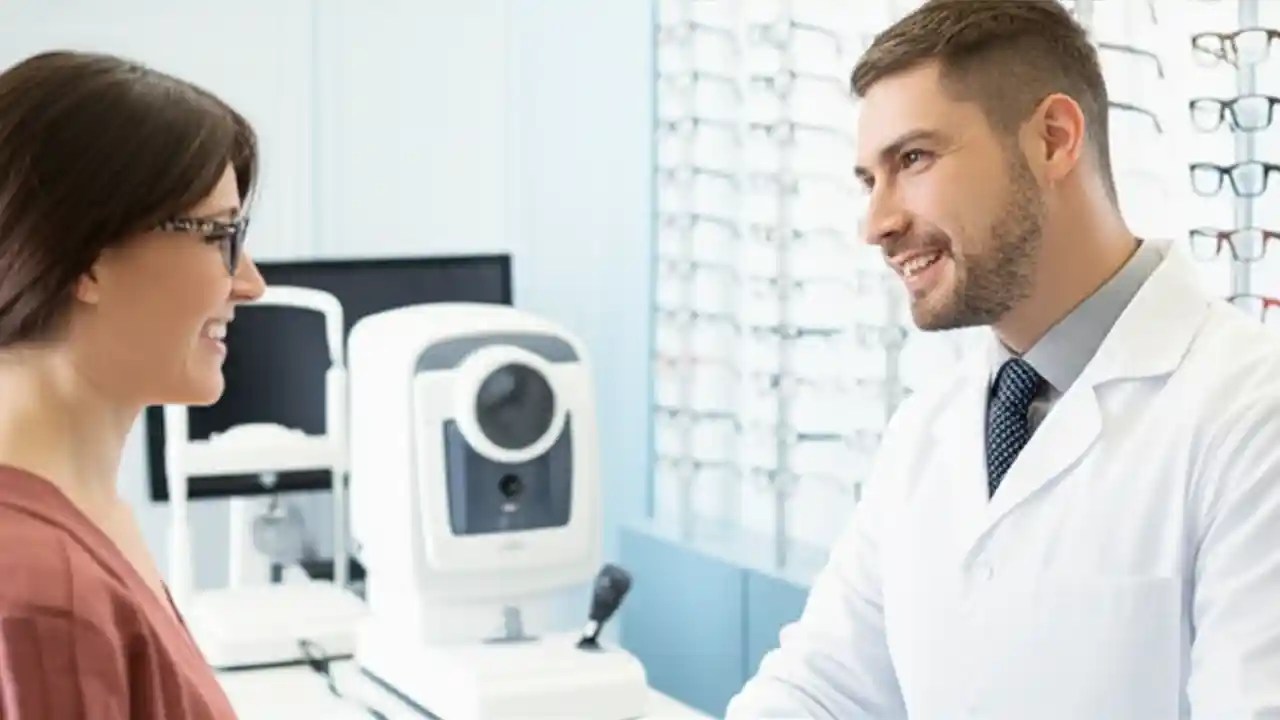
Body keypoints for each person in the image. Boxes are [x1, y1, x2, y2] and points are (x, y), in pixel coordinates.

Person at [726, 1, 1280, 717]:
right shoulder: (929, 430)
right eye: (870, 180)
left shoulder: (1251, 416)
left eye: (914, 159)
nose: (878, 224)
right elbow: (824, 686)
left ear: (1053, 140)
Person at [0, 50, 265, 719]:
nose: (250, 283)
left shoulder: (82, 518)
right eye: (221, 236)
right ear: (86, 259)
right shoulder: (46, 591)